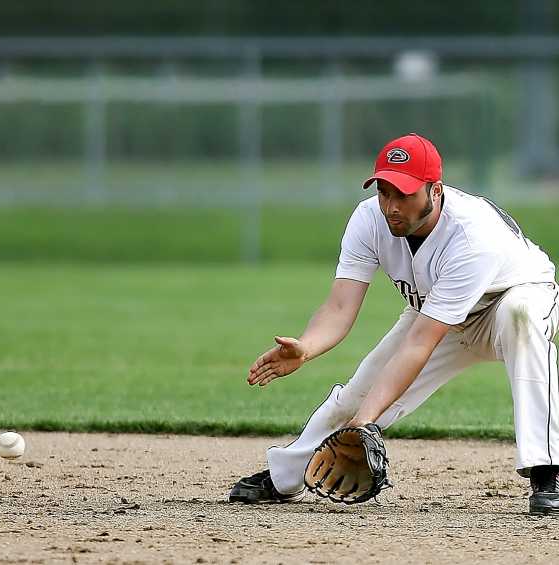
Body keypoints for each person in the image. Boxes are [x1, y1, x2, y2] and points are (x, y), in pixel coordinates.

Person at [229, 133, 559, 515]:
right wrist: (307, 347)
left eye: (404, 194)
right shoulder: (369, 219)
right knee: (356, 396)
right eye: (385, 191)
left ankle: (548, 471)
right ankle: (287, 476)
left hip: (508, 298)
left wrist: (365, 424)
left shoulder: (472, 237)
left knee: (521, 319)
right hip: (438, 310)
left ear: (435, 191)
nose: (391, 206)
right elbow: (339, 306)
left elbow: (420, 343)